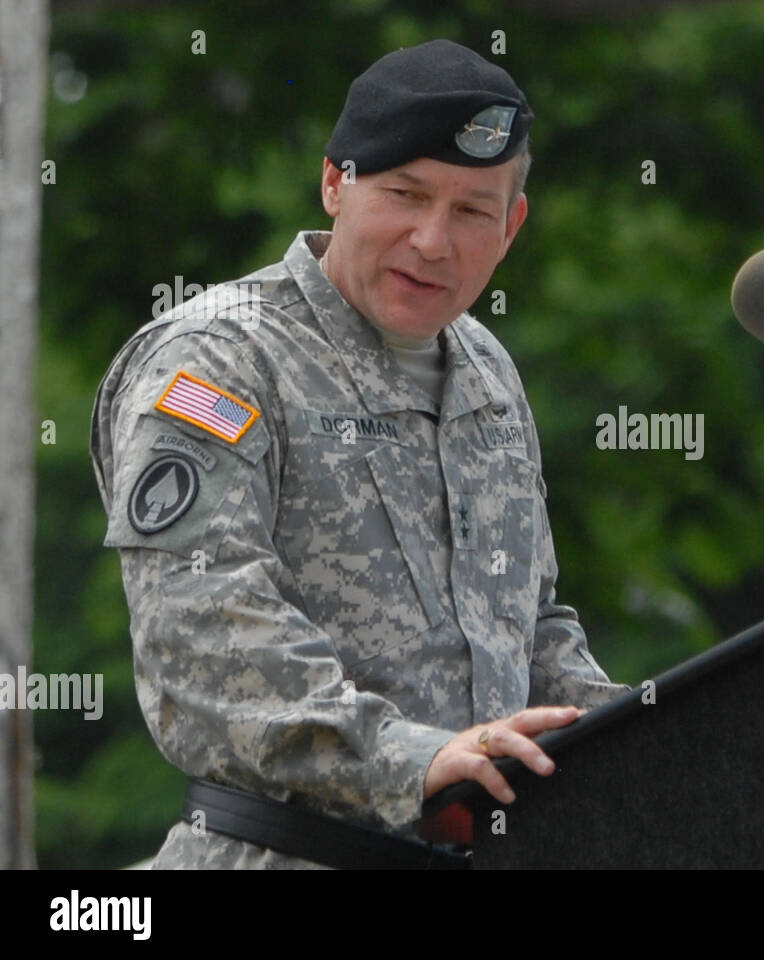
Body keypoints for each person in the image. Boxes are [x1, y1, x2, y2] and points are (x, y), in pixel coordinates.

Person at [89, 38, 629, 869]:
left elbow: (531, 624)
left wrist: (647, 736)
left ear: (512, 226)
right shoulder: (217, 359)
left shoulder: (487, 372)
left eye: (472, 211)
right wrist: (411, 760)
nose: (432, 240)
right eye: (405, 195)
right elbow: (200, 631)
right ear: (335, 183)